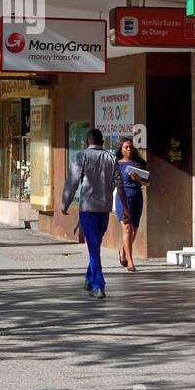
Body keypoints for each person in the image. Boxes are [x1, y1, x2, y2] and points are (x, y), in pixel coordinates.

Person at [60, 129, 128, 300]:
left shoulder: (81, 156)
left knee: (93, 246)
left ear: (86, 142)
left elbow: (72, 183)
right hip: (105, 209)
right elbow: (119, 185)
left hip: (88, 209)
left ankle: (99, 284)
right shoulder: (111, 158)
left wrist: (64, 204)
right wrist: (125, 207)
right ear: (102, 142)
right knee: (95, 245)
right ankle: (89, 279)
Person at [115, 136, 150, 272]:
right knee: (127, 229)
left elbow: (148, 183)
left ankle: (123, 251)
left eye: (130, 147)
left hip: (137, 197)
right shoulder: (116, 164)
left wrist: (138, 179)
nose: (129, 149)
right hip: (123, 198)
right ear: (121, 149)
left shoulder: (139, 163)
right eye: (126, 147)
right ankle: (130, 261)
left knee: (134, 229)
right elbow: (114, 184)